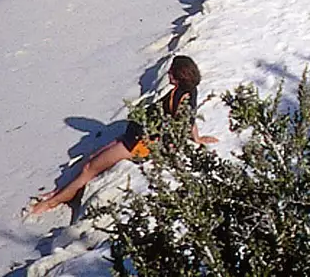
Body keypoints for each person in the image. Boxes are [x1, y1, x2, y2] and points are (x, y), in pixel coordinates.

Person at [25, 55, 216, 217]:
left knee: (90, 168)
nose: (168, 74)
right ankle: (58, 193)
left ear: (177, 76)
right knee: (90, 160)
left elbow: (182, 124)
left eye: (171, 72)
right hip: (135, 136)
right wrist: (197, 138)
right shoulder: (188, 91)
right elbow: (189, 119)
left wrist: (170, 145)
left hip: (138, 143)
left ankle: (52, 203)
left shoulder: (179, 97)